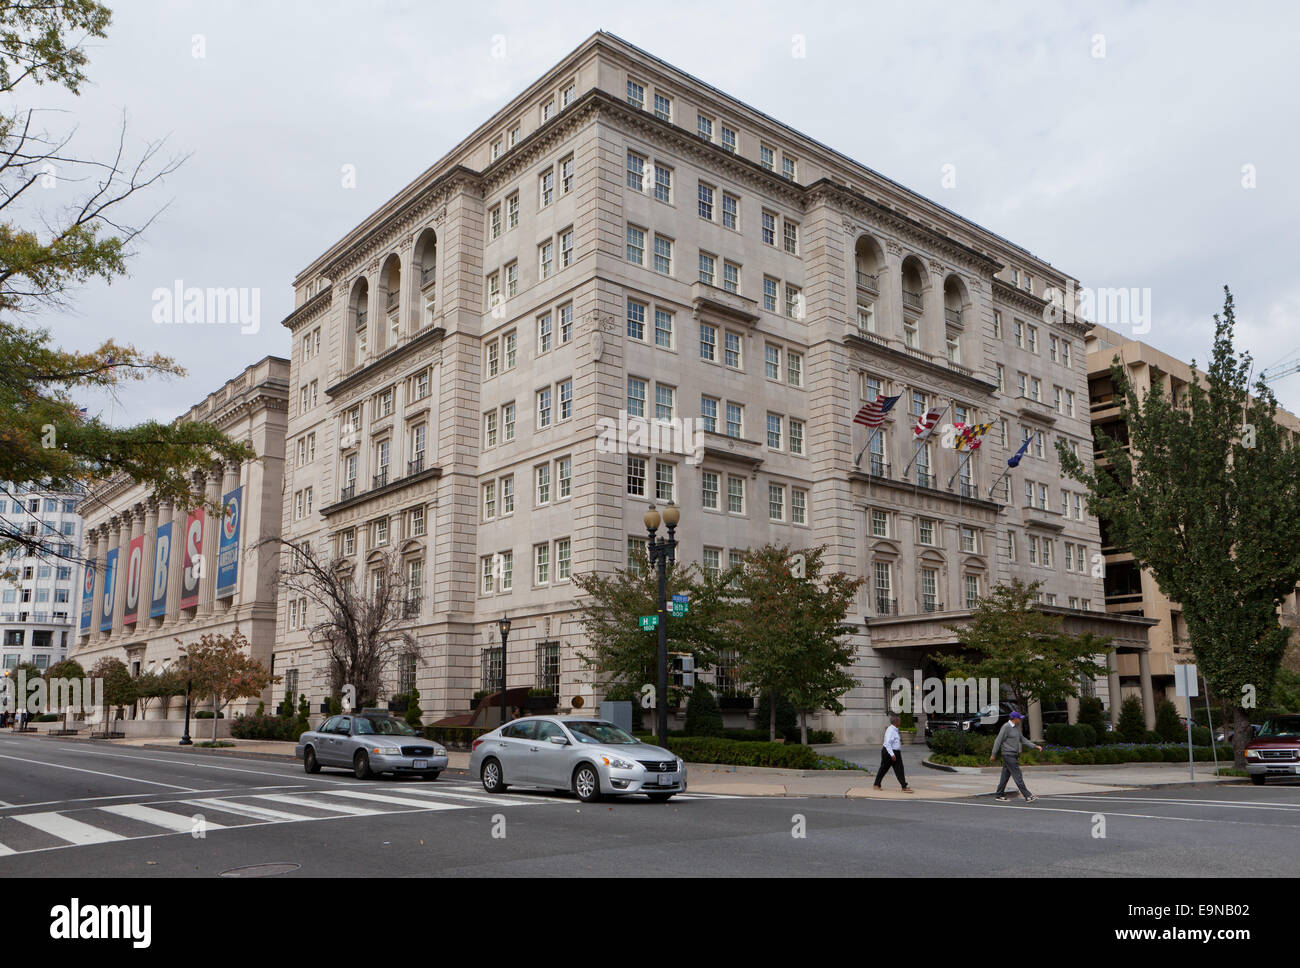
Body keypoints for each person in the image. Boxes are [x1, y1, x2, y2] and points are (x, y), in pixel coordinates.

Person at [990, 711, 1041, 802]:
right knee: (1018, 775)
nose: (1020, 720)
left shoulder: (1015, 728)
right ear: (1015, 719)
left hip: (1013, 755)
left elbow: (1023, 739)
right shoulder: (1006, 727)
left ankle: (999, 794)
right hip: (1008, 754)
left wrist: (1035, 746)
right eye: (1019, 718)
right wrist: (993, 754)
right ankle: (1028, 796)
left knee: (1005, 776)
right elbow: (998, 740)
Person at [874, 714, 913, 793]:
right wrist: (892, 754)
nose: (900, 722)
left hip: (896, 752)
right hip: (889, 752)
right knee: (883, 769)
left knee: (900, 769)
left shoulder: (895, 729)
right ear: (896, 722)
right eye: (899, 720)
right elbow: (888, 743)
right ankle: (876, 784)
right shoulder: (890, 730)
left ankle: (904, 786)